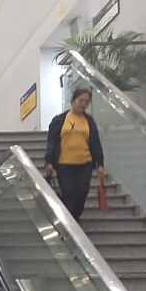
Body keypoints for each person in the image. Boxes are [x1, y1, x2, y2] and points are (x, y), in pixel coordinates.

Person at [44, 87, 105, 221]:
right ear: (73, 100)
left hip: (85, 164)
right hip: (64, 164)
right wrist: (49, 162)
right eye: (80, 100)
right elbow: (52, 142)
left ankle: (75, 217)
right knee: (68, 192)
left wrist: (100, 164)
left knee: (82, 192)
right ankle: (70, 221)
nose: (83, 104)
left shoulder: (89, 121)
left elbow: (95, 143)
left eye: (86, 102)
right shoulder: (60, 120)